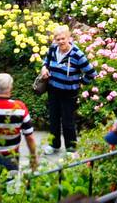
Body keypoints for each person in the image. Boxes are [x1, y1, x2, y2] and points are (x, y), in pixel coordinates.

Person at [39, 24, 94, 155]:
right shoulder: (53, 49)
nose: (61, 41)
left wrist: (80, 82)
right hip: (53, 89)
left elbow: (91, 73)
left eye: (63, 38)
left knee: (68, 121)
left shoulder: (77, 54)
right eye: (58, 39)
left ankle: (71, 149)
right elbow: (45, 62)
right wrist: (44, 68)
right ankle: (54, 145)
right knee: (53, 119)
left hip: (69, 92)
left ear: (69, 37)